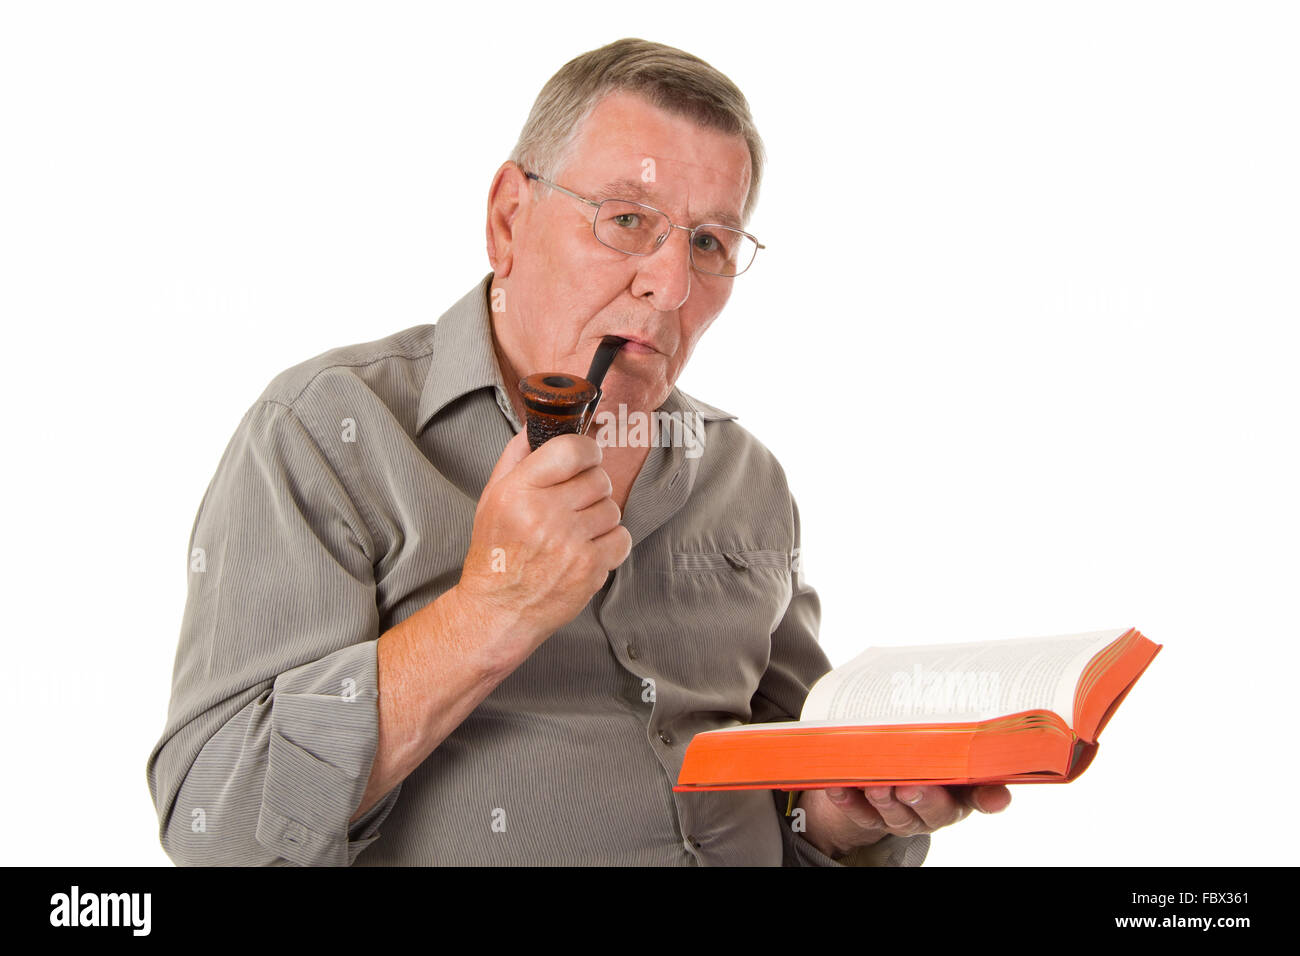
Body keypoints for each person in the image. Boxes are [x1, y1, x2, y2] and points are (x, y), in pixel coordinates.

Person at [146, 37, 1010, 867]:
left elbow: (797, 795)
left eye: (709, 243)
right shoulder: (330, 431)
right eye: (629, 220)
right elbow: (211, 825)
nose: (669, 287)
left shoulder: (746, 476)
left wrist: (836, 820)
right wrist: (490, 610)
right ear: (509, 220)